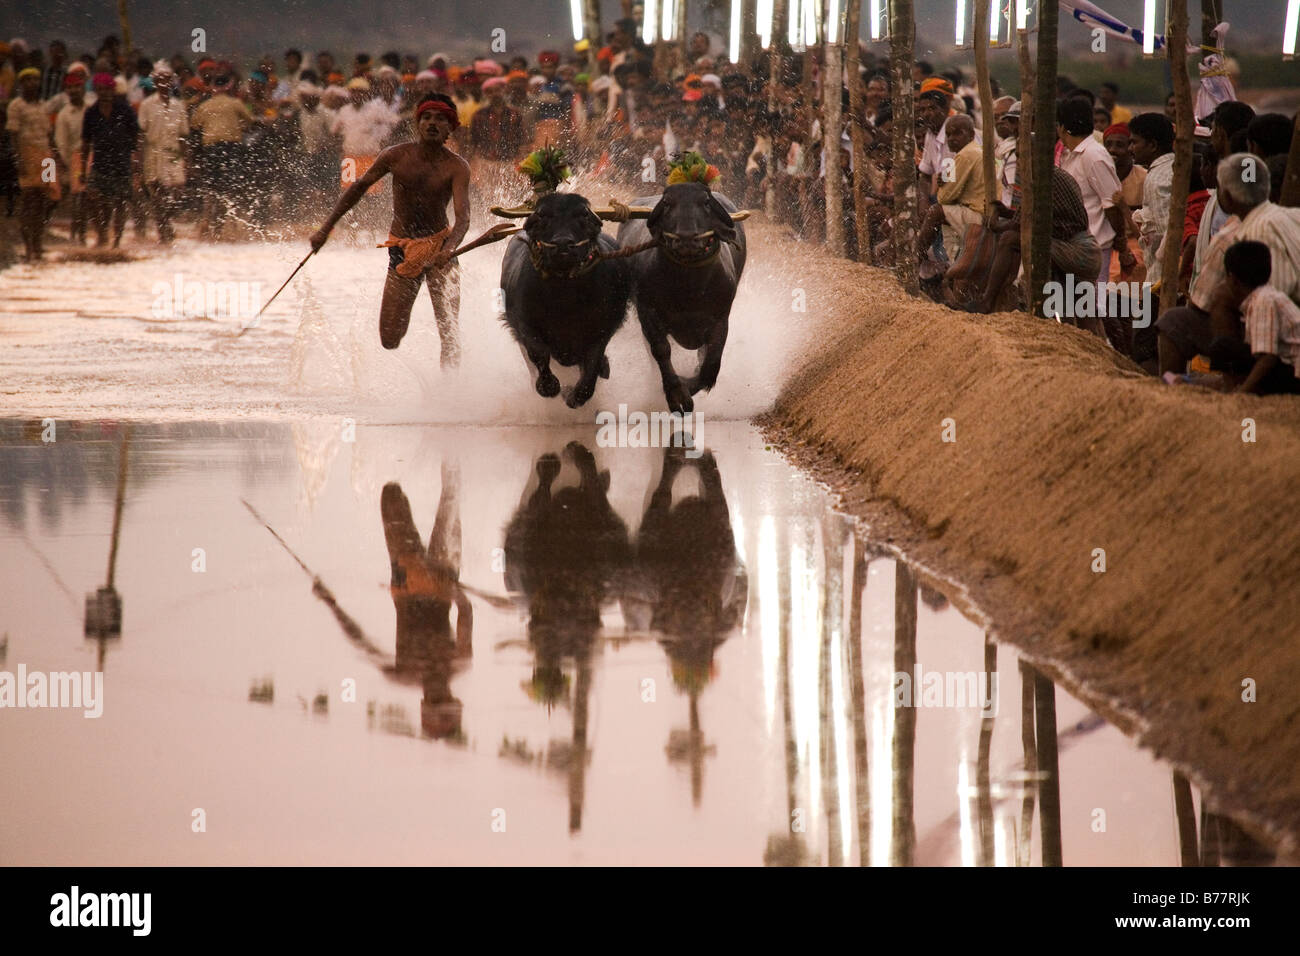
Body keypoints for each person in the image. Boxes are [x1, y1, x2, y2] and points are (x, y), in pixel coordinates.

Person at [310, 94, 470, 367]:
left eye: (440, 119)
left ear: (450, 127)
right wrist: (325, 229)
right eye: (427, 117)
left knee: (450, 334)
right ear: (418, 123)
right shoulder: (395, 155)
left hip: (440, 249)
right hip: (402, 249)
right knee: (390, 338)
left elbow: (463, 218)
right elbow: (358, 188)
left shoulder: (457, 167)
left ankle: (451, 398)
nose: (432, 123)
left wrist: (449, 249)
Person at [1157, 154, 1300, 375]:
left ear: (1227, 196)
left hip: (1276, 341)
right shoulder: (1292, 216)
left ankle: (1227, 379)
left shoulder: (1237, 233)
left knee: (1176, 320)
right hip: (1284, 325)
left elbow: (1200, 303)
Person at [1057, 96, 1130, 341]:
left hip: (1095, 243)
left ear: (1062, 127)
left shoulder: (1094, 156)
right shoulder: (1073, 154)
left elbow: (1112, 204)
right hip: (1075, 244)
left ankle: (1105, 351)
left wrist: (1120, 238)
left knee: (1093, 309)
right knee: (1076, 308)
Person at [1205, 241, 1300, 394]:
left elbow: (1268, 357)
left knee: (1222, 346)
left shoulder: (1263, 301)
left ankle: (1236, 391)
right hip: (1288, 366)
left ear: (1233, 279)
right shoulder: (1262, 297)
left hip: (1293, 373)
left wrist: (1243, 391)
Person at [190, 69, 249, 238]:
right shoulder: (235, 103)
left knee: (211, 189)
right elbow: (249, 121)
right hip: (231, 148)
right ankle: (227, 226)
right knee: (230, 188)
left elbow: (194, 126)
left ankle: (207, 223)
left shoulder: (204, 105)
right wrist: (239, 127)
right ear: (229, 86)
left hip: (210, 149)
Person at [5, 66, 55, 260]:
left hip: (45, 157)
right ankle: (28, 246)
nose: (32, 84)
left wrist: (52, 159)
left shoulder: (44, 105)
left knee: (44, 201)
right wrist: (19, 160)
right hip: (27, 155)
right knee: (28, 200)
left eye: (35, 80)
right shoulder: (16, 106)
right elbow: (13, 136)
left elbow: (49, 136)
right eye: (28, 80)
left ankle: (38, 242)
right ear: (21, 84)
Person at [137, 60, 188, 243]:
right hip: (154, 153)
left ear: (172, 81)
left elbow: (183, 136)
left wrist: (187, 161)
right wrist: (138, 162)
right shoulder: (147, 105)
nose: (164, 83)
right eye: (160, 79)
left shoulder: (178, 105)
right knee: (158, 195)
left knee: (177, 193)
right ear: (155, 82)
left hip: (174, 155)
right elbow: (141, 135)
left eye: (167, 79)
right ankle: (164, 232)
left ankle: (166, 223)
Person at [1129, 112, 1175, 290]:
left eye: (1135, 142)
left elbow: (1168, 234)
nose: (1130, 148)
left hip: (1162, 278)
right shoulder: (1171, 168)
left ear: (1153, 145)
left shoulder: (1158, 180)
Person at [53, 72, 89, 242]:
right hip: (74, 159)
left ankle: (88, 235)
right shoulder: (64, 114)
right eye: (70, 87)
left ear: (83, 88)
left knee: (92, 199)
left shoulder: (91, 109)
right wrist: (69, 165)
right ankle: (77, 236)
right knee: (78, 198)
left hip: (92, 157)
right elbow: (61, 144)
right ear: (66, 90)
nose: (74, 90)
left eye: (77, 86)